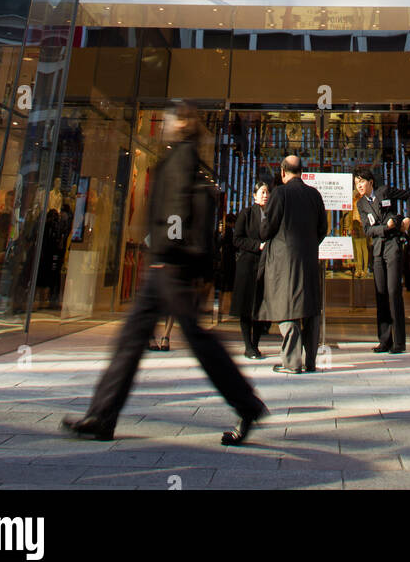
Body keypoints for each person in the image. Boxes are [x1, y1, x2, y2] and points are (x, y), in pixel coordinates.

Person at [62, 103, 266, 445]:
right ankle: (102, 415)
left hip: (170, 267)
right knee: (135, 339)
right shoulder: (182, 157)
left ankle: (246, 405)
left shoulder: (181, 158)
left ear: (182, 123)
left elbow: (175, 211)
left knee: (194, 340)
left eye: (171, 118)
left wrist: (165, 254)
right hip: (169, 265)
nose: (165, 124)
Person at [259, 155, 327, 374]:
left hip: (284, 261)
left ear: (282, 172)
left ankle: (291, 362)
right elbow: (322, 229)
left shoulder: (280, 193)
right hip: (308, 258)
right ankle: (311, 362)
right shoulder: (314, 195)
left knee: (287, 306)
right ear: (302, 171)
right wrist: (309, 245)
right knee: (310, 307)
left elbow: (267, 228)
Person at [354, 165, 410, 354]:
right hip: (377, 250)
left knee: (394, 291)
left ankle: (400, 342)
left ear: (370, 181)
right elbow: (367, 230)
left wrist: (407, 218)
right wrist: (385, 227)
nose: (359, 186)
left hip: (393, 246)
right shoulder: (361, 204)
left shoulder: (384, 191)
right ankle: (384, 340)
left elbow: (409, 195)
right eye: (356, 183)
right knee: (381, 294)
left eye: (361, 181)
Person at [231, 178, 272, 358]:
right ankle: (248, 345)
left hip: (266, 266)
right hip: (248, 266)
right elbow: (237, 239)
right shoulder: (246, 214)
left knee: (261, 308)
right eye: (262, 192)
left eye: (267, 192)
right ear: (254, 196)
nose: (265, 195)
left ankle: (255, 344)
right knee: (246, 307)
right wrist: (258, 246)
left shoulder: (273, 215)